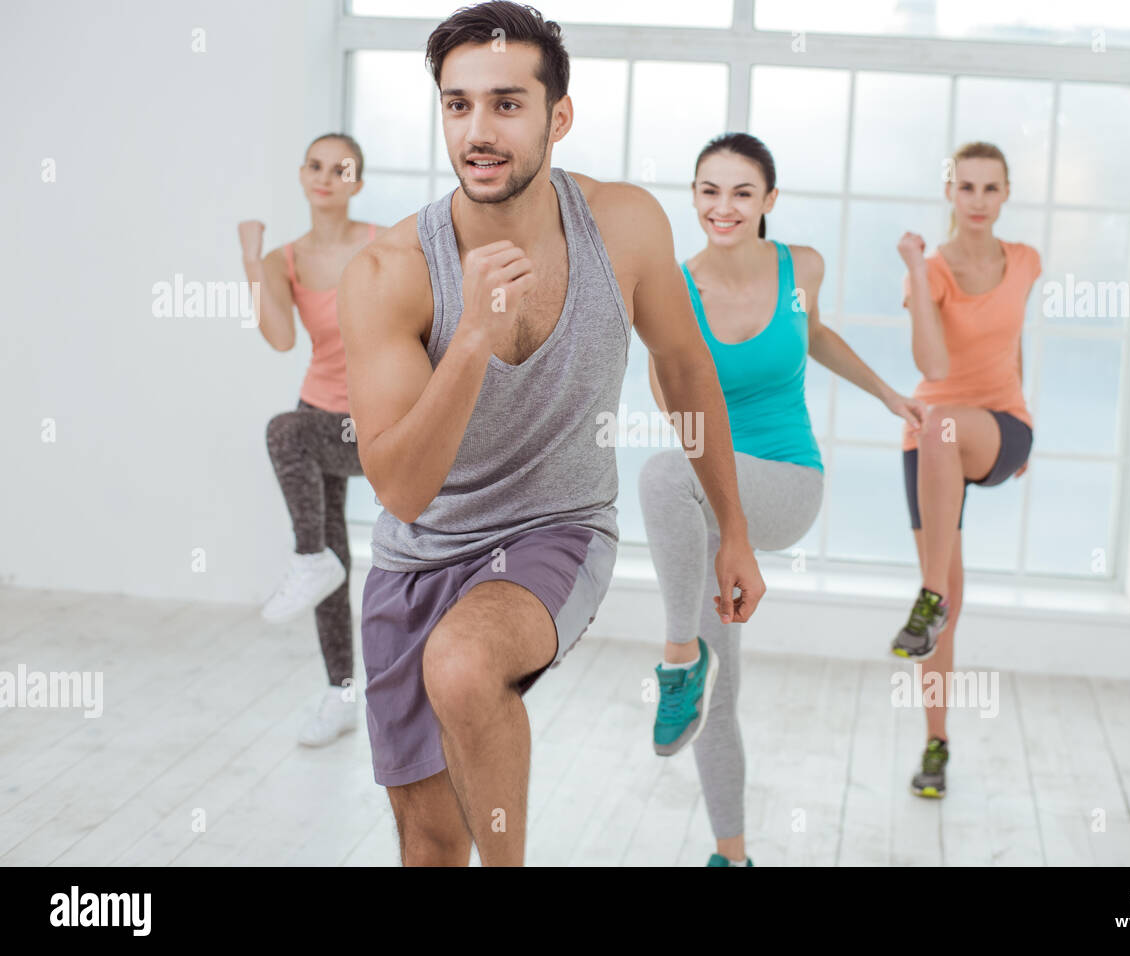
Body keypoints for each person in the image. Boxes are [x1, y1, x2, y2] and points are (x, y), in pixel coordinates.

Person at [337, 0, 764, 867]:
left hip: (555, 528)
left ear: (557, 116)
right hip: (416, 557)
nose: (478, 131)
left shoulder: (626, 225)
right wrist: (471, 342)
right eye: (457, 105)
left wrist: (733, 530)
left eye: (506, 103)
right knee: (428, 845)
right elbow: (402, 491)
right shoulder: (390, 272)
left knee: (462, 664)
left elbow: (684, 369)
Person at [638, 133, 926, 866]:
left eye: (741, 192)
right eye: (708, 190)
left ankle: (677, 658)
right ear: (694, 195)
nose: (722, 207)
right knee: (719, 701)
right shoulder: (672, 290)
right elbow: (675, 408)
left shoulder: (802, 267)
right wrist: (724, 527)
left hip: (788, 486)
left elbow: (817, 334)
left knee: (663, 474)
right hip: (712, 498)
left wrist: (890, 392)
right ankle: (732, 856)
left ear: (769, 200)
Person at [893, 140, 1039, 798]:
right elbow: (931, 367)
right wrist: (919, 273)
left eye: (990, 188)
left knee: (943, 422)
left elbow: (1015, 343)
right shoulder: (930, 268)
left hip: (998, 428)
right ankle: (936, 746)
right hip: (931, 444)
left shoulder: (1026, 262)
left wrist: (1025, 437)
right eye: (966, 188)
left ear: (1006, 195)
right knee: (948, 608)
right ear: (950, 194)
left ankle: (925, 600)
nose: (978, 200)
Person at [238, 132, 379, 747]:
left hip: (378, 422)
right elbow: (279, 339)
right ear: (303, 176)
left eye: (339, 168)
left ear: (357, 181)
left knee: (282, 433)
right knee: (331, 563)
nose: (325, 177)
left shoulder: (384, 245)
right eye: (315, 166)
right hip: (319, 416)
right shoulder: (285, 260)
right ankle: (340, 695)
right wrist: (251, 260)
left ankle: (308, 558)